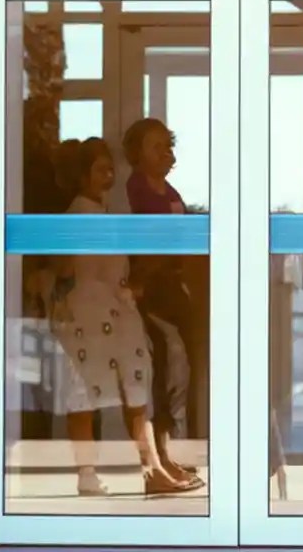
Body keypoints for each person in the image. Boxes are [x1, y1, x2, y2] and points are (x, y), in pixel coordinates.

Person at [49, 137, 193, 496]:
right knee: (111, 391)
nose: (108, 175)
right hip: (95, 313)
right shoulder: (79, 216)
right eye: (100, 169)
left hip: (107, 312)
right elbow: (65, 267)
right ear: (82, 175)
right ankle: (138, 469)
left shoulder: (99, 214)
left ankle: (136, 468)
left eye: (109, 168)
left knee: (115, 390)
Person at [122, 118, 202, 490]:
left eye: (168, 146)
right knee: (162, 367)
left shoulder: (169, 189)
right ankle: (153, 466)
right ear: (136, 153)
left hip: (174, 288)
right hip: (150, 291)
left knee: (178, 371)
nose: (166, 153)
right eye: (156, 146)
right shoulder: (135, 190)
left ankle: (165, 456)